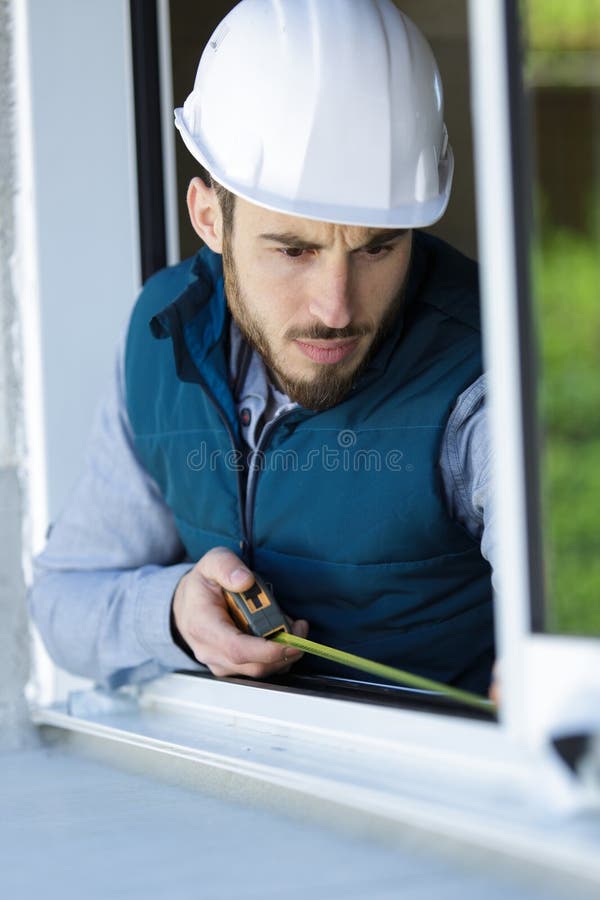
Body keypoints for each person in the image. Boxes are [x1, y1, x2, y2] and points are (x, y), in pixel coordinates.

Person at [30, 0, 495, 696]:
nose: (336, 307)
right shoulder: (165, 334)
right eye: (294, 250)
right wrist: (174, 615)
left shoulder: (485, 377)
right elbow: (64, 601)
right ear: (210, 219)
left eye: (378, 248)